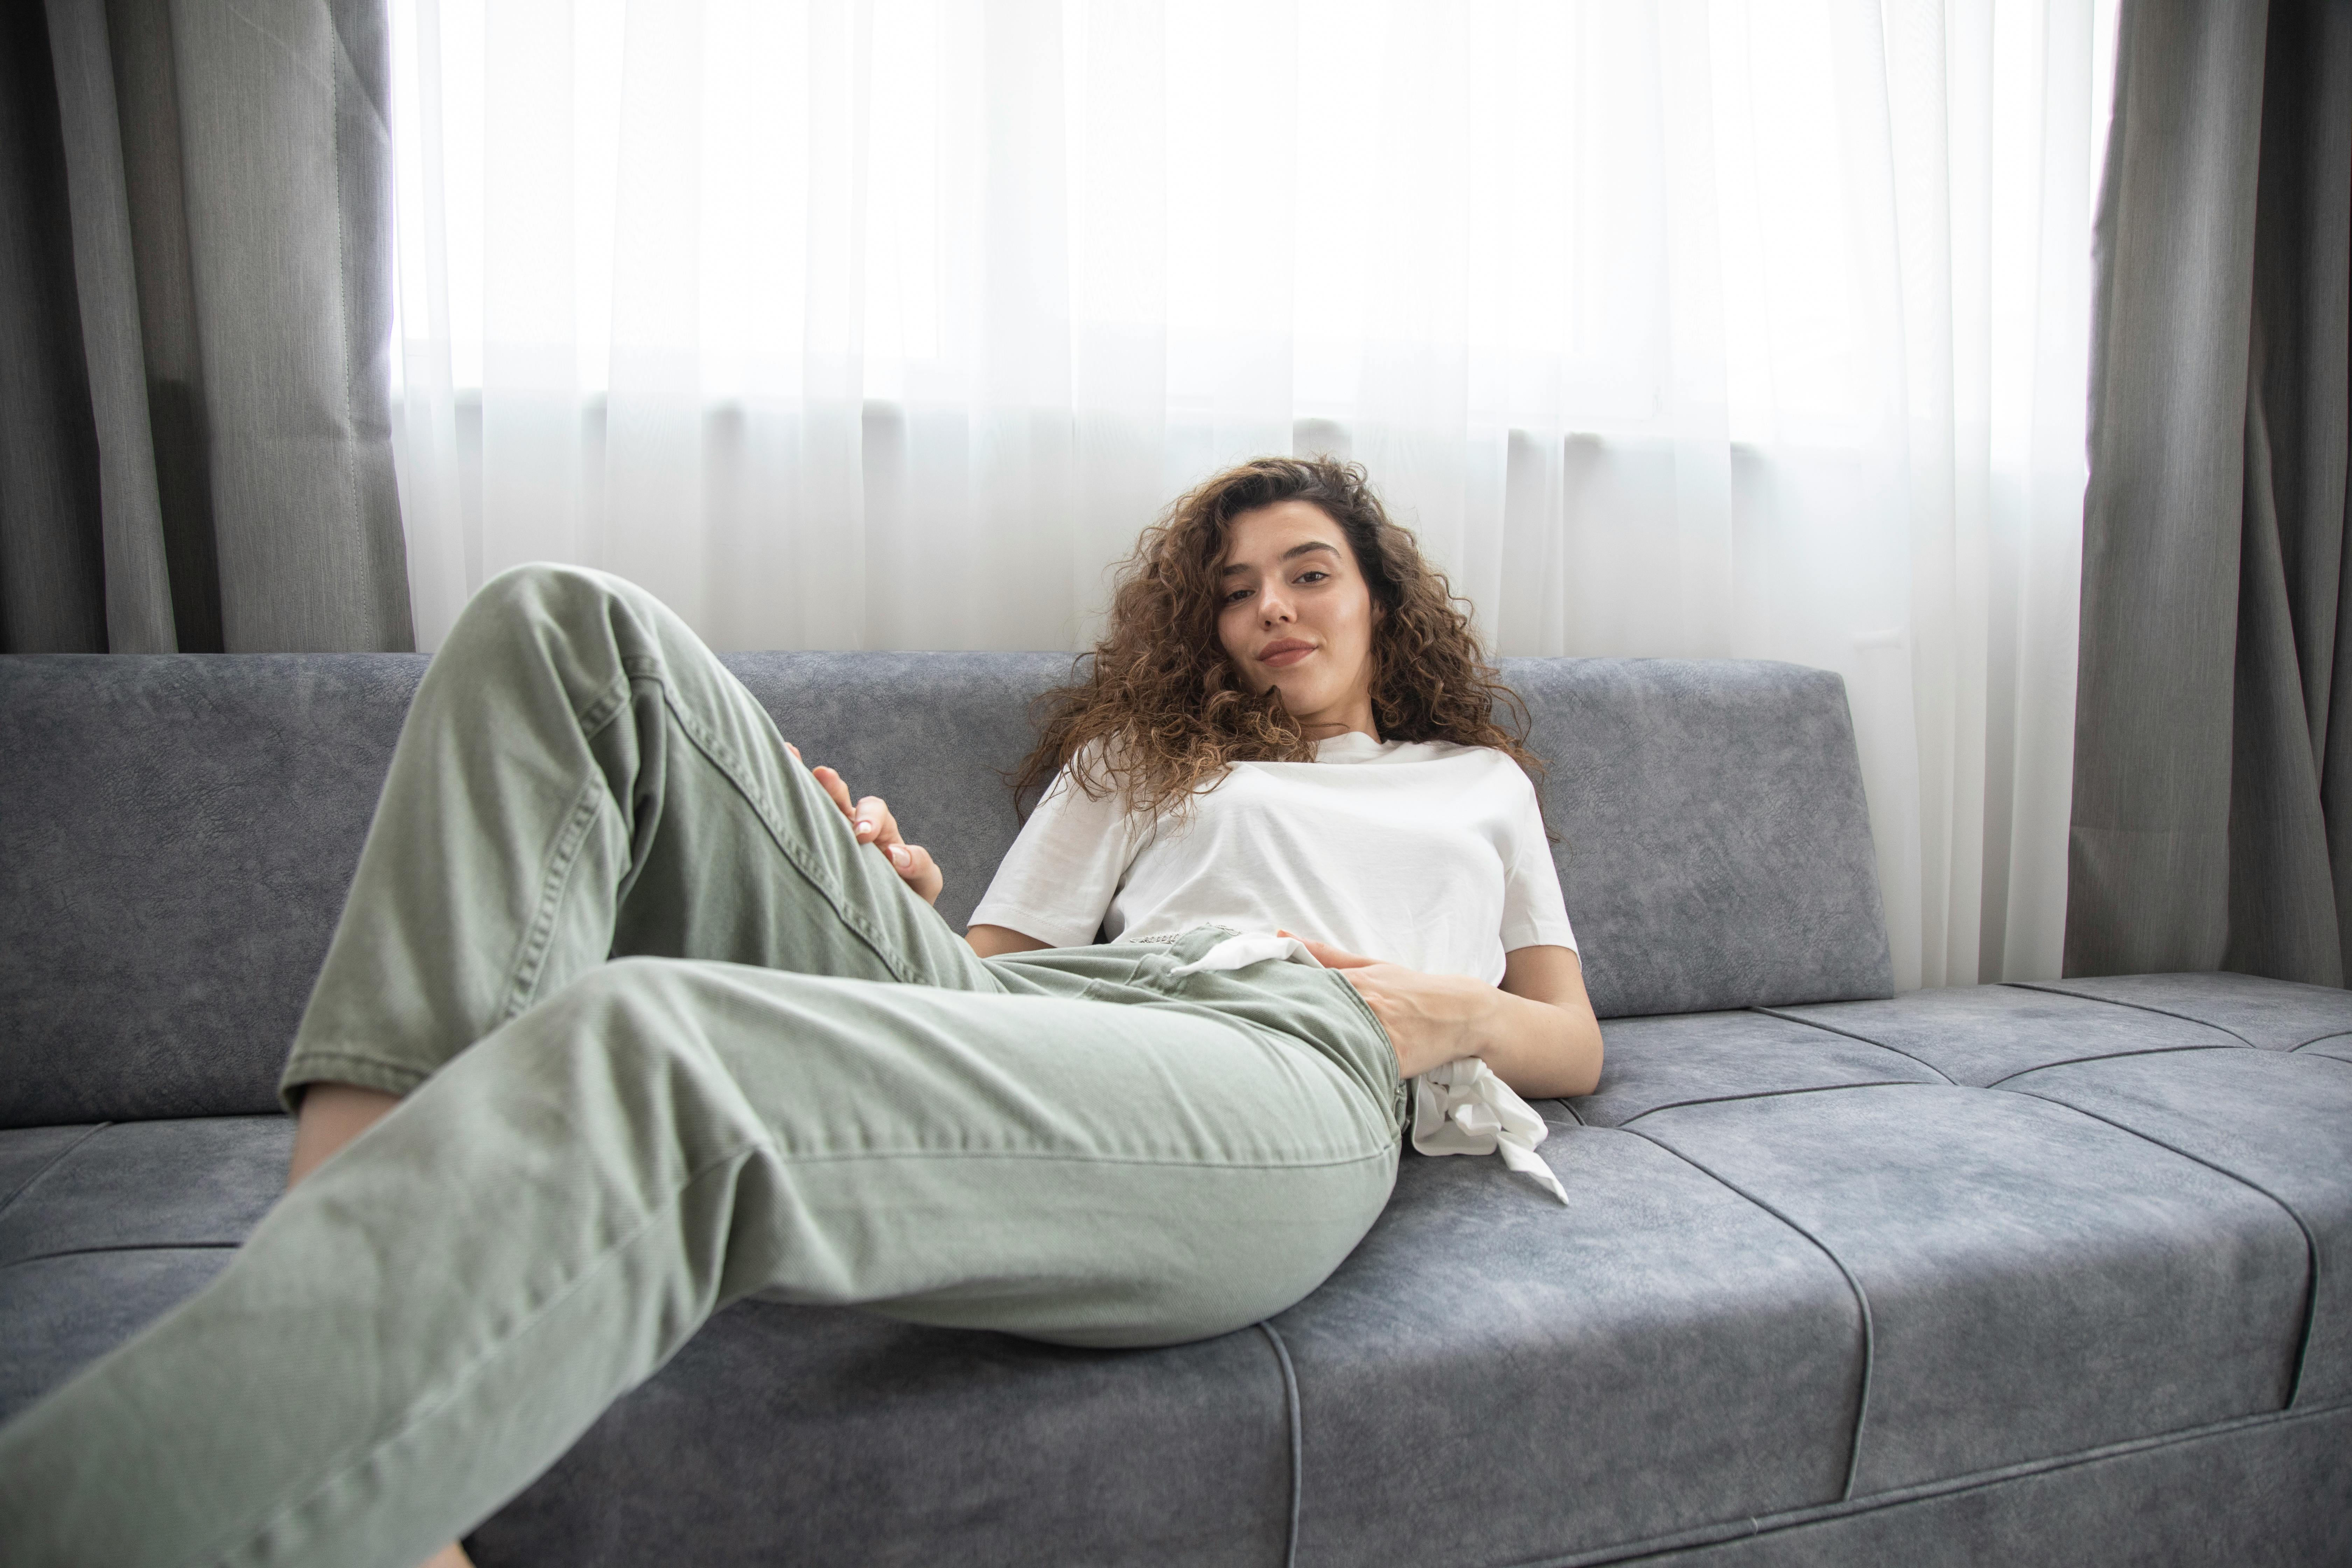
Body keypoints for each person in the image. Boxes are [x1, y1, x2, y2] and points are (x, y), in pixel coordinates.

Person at [0, 455, 1602, 1568]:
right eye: (1238, 589)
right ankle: (356, 1393)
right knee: (562, 631)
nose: (1273, 608)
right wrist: (886, 896)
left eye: (1309, 571)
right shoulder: (1141, 761)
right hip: (1053, 1009)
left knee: (655, 1046)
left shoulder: (1477, 785)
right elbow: (979, 972)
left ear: (1383, 597)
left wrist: (1444, 1006)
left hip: (1284, 1052)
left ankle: (321, 1430)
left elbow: (1571, 1038)